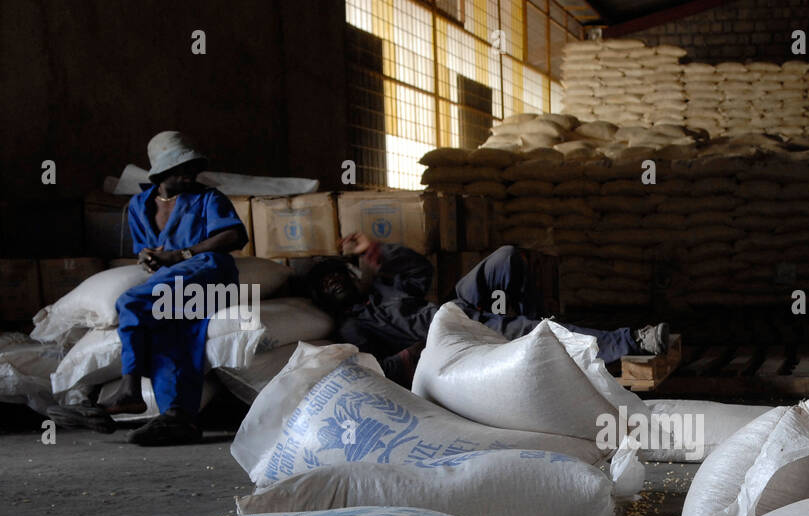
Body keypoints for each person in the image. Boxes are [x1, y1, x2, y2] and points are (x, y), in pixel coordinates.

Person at [49, 131, 248, 444]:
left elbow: (234, 236)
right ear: (162, 172)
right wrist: (148, 258)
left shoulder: (209, 198)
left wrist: (181, 254)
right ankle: (179, 416)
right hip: (174, 286)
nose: (189, 173)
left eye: (193, 166)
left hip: (209, 273)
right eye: (180, 168)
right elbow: (148, 250)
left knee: (131, 302)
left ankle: (129, 389)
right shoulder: (139, 205)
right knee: (174, 330)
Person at [309, 237, 670, 388]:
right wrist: (426, 350)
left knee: (506, 257)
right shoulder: (353, 326)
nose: (335, 285)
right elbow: (385, 367)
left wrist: (378, 251)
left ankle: (539, 331)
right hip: (448, 337)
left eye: (337, 276)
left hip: (454, 309)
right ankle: (630, 341)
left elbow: (420, 272)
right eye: (326, 286)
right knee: (519, 327)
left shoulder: (381, 289)